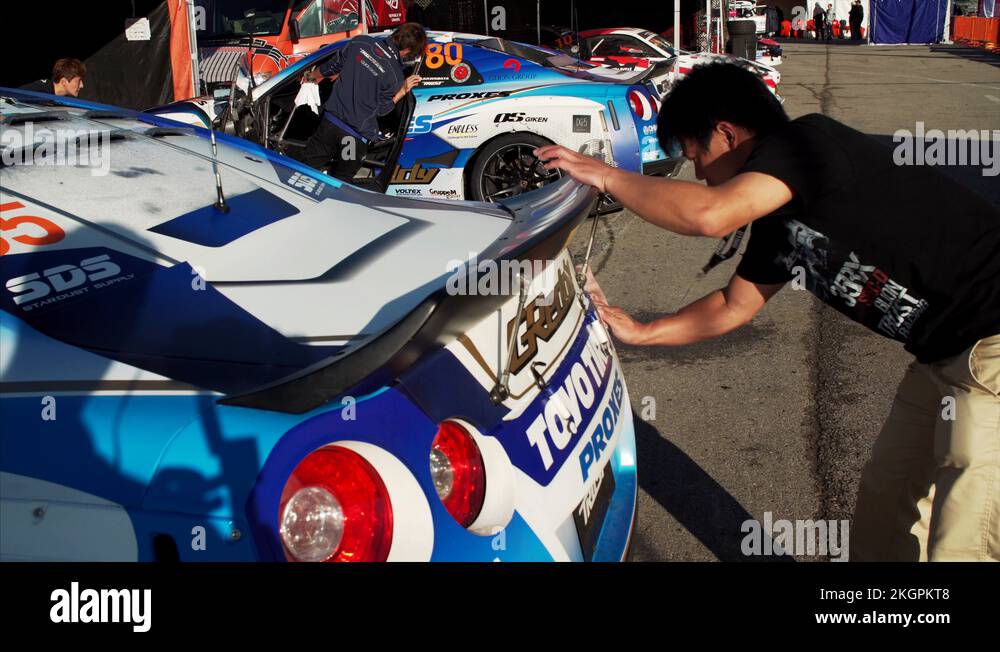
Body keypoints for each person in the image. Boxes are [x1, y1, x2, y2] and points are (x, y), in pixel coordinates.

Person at [536, 63, 1000, 562]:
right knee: (887, 499)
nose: (699, 173)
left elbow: (710, 214)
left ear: (727, 133)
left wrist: (605, 175)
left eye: (697, 156)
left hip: (989, 344)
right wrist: (642, 332)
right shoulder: (781, 220)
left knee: (964, 535)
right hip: (940, 358)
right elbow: (734, 306)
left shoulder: (809, 143)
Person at [299, 23, 426, 180]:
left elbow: (331, 67)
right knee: (339, 182)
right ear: (407, 51)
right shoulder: (395, 76)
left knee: (303, 173)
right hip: (352, 139)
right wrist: (402, 91)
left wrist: (312, 76)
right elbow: (382, 110)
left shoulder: (360, 42)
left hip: (330, 126)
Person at [21, 58, 86, 97]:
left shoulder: (66, 101)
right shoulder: (39, 90)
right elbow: (12, 99)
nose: (81, 85)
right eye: (78, 81)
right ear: (64, 82)